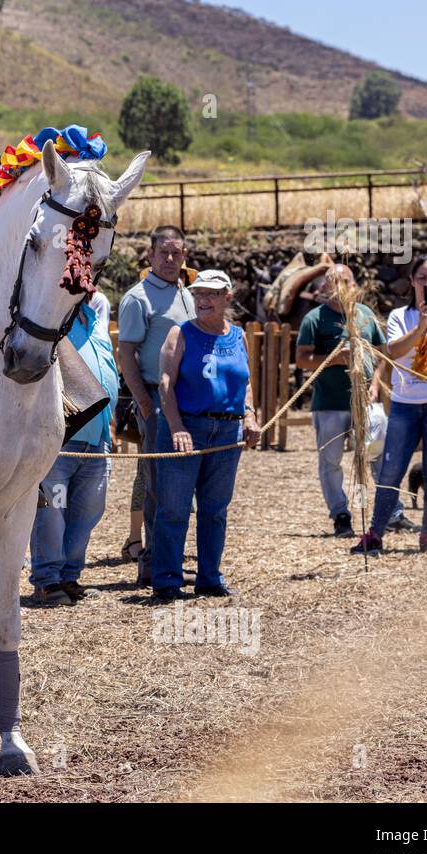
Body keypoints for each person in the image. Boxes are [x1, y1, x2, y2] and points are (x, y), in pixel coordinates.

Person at [152, 270, 260, 602]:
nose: (203, 300)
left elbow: (245, 382)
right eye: (199, 294)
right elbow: (165, 384)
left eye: (212, 294)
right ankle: (167, 580)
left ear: (228, 298)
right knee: (174, 508)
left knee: (215, 509)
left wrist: (250, 415)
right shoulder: (180, 334)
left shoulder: (239, 336)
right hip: (188, 427)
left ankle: (209, 577)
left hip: (228, 431)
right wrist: (176, 427)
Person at [353, 255, 427, 556]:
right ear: (412, 281)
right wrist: (422, 327)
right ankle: (375, 533)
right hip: (405, 402)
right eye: (422, 278)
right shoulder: (399, 316)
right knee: (391, 469)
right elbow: (393, 351)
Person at [295, 264, 411, 537]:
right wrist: (334, 358)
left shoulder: (366, 316)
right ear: (323, 288)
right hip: (330, 403)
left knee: (379, 456)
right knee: (331, 461)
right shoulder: (314, 319)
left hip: (367, 401)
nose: (339, 288)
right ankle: (340, 514)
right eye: (333, 282)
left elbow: (382, 354)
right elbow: (301, 359)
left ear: (355, 287)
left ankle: (392, 512)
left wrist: (374, 384)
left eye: (345, 282)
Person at [117, 226, 195, 587]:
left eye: (176, 253)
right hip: (156, 398)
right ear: (150, 256)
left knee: (183, 484)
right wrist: (144, 402)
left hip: (190, 398)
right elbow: (127, 354)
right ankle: (153, 562)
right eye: (163, 253)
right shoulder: (138, 298)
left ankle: (172, 557)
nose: (169, 260)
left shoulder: (190, 295)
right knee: (157, 485)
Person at [28, 296, 119, 605]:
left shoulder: (94, 318)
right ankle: (47, 579)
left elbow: (103, 370)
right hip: (61, 440)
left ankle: (69, 575)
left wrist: (111, 421)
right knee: (52, 511)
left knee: (88, 510)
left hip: (97, 438)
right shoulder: (53, 317)